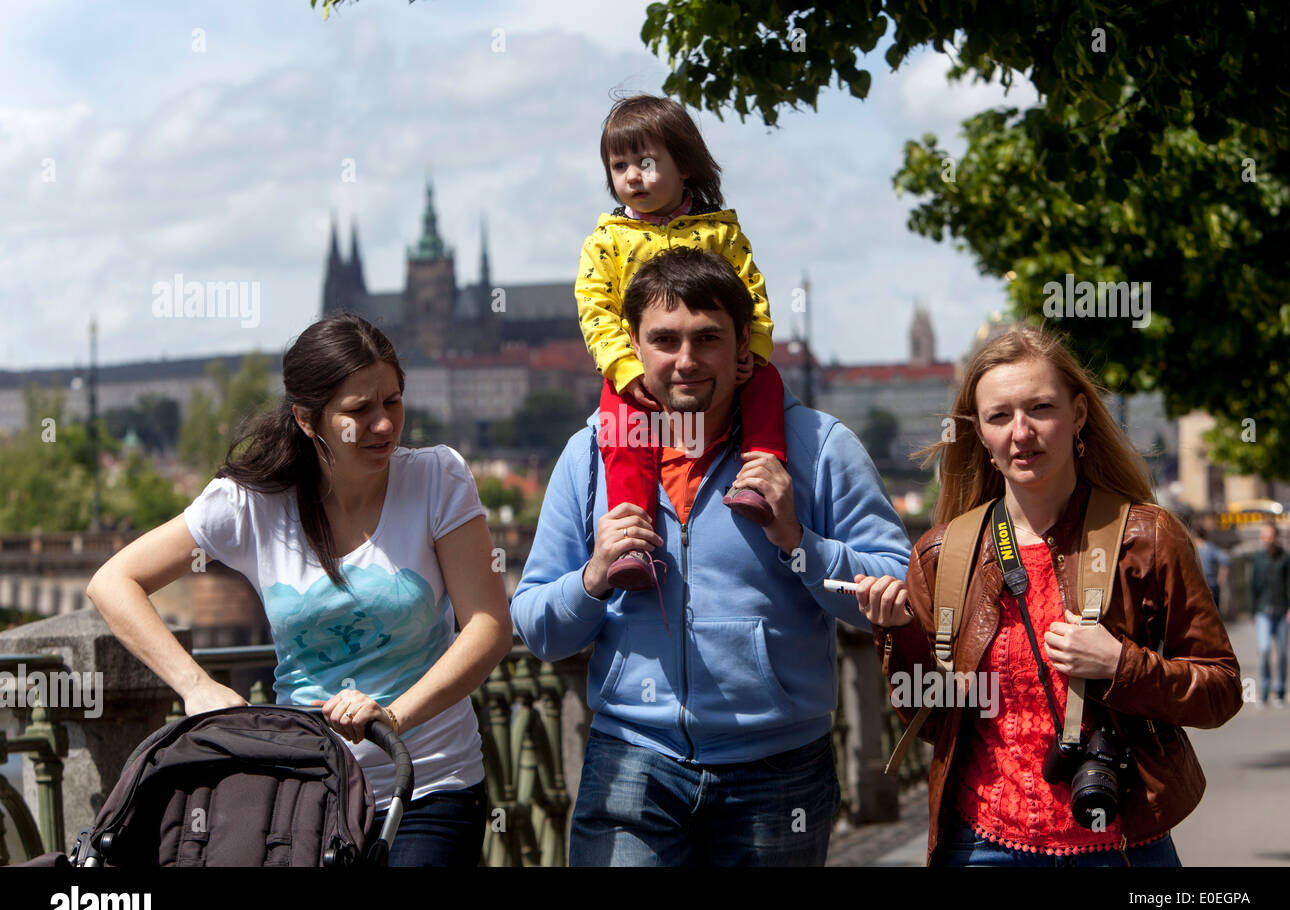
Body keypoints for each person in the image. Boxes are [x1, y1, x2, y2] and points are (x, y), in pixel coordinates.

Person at [512, 248, 912, 866]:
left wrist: (798, 542)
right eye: (664, 340)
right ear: (634, 348)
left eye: (708, 339)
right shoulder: (589, 455)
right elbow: (538, 628)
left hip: (778, 770)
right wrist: (592, 579)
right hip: (631, 756)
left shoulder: (820, 448)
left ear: (744, 347)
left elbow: (899, 594)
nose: (686, 361)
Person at [86, 314, 513, 866]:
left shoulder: (437, 478)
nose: (384, 424)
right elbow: (112, 582)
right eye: (360, 411)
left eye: (393, 401)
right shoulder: (251, 504)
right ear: (308, 420)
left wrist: (392, 716)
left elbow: (489, 628)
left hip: (428, 785)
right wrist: (197, 687)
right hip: (307, 789)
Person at [855, 326, 1242, 867]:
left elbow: (1222, 690)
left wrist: (1120, 664)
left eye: (1041, 408)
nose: (1022, 432)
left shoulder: (1147, 537)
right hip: (983, 844)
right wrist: (895, 634)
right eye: (999, 416)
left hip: (1120, 842)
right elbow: (932, 720)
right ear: (980, 434)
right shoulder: (943, 554)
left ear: (1079, 414)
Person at [576, 94, 787, 592]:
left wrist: (750, 352)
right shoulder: (606, 240)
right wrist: (624, 369)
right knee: (621, 431)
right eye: (619, 166)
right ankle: (632, 541)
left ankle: (759, 476)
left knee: (767, 384)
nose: (632, 176)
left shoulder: (721, 232)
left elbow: (753, 294)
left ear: (686, 166)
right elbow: (595, 312)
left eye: (645, 163)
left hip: (727, 365)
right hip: (634, 371)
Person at [1248, 522, 1290, 708]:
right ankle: (1266, 690)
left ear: (1275, 536)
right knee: (1265, 649)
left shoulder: (1285, 557)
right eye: (1263, 535)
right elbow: (1252, 586)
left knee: (1283, 652)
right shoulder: (1258, 558)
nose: (1266, 538)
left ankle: (1281, 691)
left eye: (1268, 535)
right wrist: (1253, 610)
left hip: (1282, 610)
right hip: (1263, 611)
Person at [1192, 520, 1230, 613]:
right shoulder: (1210, 548)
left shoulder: (1192, 549)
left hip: (1197, 588)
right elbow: (1225, 560)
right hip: (1212, 586)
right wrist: (1221, 579)